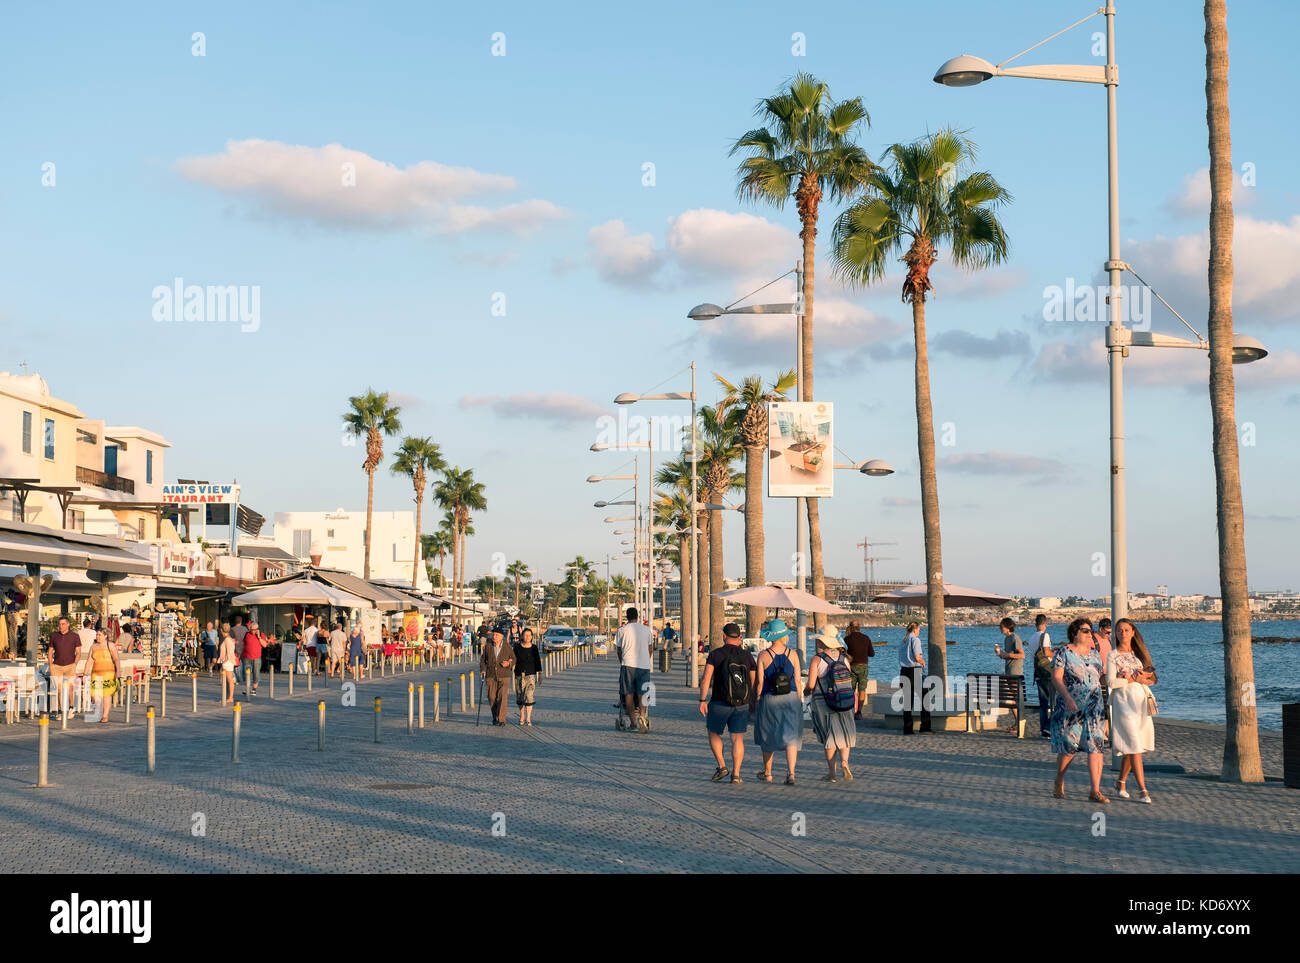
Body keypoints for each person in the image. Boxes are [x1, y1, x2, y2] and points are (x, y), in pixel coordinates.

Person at [1050, 618, 1108, 802]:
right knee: (1069, 748)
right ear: (1074, 632)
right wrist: (1067, 697)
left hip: (1094, 706)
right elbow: (1056, 678)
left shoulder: (1095, 654)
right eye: (1084, 630)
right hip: (1071, 707)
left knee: (1096, 746)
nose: (1089, 633)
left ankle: (1095, 790)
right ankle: (1059, 778)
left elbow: (1101, 678)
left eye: (1090, 630)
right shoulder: (1063, 652)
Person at [699, 622, 756, 784]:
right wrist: (750, 699)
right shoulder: (747, 656)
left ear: (724, 636)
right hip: (741, 704)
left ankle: (722, 766)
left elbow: (706, 679)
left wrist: (702, 700)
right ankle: (736, 774)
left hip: (719, 702)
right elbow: (753, 680)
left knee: (713, 732)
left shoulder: (716, 654)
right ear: (739, 637)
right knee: (737, 738)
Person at [1108, 618, 1157, 803]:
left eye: (1126, 630)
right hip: (1123, 703)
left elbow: (1152, 681)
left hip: (1140, 703)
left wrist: (1143, 677)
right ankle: (1143, 791)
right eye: (1119, 630)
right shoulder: (1112, 655)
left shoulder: (1139, 654)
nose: (1123, 633)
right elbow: (1110, 682)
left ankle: (1121, 782)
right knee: (1134, 746)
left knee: (1134, 746)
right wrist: (1129, 679)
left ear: (1133, 632)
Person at [752, 618, 803, 784]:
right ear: (784, 636)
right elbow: (797, 679)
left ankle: (768, 772)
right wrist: (800, 699)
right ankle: (791, 773)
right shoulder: (793, 654)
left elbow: (759, 682)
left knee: (768, 734)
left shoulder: (763, 655)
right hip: (791, 698)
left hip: (770, 698)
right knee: (791, 736)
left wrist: (757, 699)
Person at [805, 628, 857, 781]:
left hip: (824, 702)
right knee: (844, 733)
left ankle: (832, 774)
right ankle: (845, 762)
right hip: (845, 700)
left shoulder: (817, 659)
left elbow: (811, 684)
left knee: (830, 737)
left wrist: (805, 690)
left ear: (823, 641)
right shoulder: (844, 658)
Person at [613, 607, 653, 732]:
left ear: (627, 617)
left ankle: (633, 722)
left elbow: (619, 650)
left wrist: (622, 661)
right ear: (637, 616)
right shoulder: (646, 630)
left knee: (628, 694)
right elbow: (650, 648)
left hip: (628, 665)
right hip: (644, 666)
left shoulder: (622, 630)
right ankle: (642, 717)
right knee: (643, 693)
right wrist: (646, 659)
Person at [994, 616, 1026, 734]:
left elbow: (1022, 655)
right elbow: (1007, 655)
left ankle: (1018, 723)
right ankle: (1017, 722)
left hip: (1015, 672)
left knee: (1014, 699)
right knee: (1011, 699)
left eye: (1001, 626)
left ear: (1008, 627)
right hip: (1009, 671)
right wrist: (1000, 654)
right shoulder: (1007, 639)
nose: (1000, 628)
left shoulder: (1015, 638)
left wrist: (1006, 654)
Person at [898, 621, 930, 735]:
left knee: (907, 702)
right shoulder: (915, 640)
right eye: (919, 630)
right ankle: (925, 727)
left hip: (904, 671)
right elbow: (917, 657)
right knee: (925, 697)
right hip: (914, 671)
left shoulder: (903, 640)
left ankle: (907, 728)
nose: (919, 632)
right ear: (915, 629)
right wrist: (923, 662)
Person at [480, 625, 514, 726]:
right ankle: (495, 717)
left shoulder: (507, 646)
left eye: (497, 635)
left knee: (502, 697)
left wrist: (508, 663)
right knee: (491, 698)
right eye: (493, 634)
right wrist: (482, 669)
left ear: (501, 636)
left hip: (504, 675)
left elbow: (513, 658)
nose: (494, 636)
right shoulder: (488, 645)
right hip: (490, 675)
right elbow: (483, 660)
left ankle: (502, 719)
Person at [47, 616, 82, 714]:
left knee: (70, 687)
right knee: (59, 689)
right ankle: (60, 709)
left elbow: (78, 652)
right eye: (59, 624)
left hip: (70, 665)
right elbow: (50, 651)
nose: (61, 626)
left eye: (63, 624)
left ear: (68, 624)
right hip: (57, 666)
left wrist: (75, 663)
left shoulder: (75, 636)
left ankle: (71, 708)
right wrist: (50, 665)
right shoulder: (54, 636)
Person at [85, 629, 120, 723]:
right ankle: (99, 712)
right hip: (96, 674)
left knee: (106, 695)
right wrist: (86, 672)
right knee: (96, 696)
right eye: (97, 635)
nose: (97, 636)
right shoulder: (93, 647)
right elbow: (89, 660)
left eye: (99, 635)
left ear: (105, 636)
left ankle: (105, 715)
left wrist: (118, 672)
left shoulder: (110, 645)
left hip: (108, 673)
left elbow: (116, 659)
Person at [843, 619, 875, 722]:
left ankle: (850, 710)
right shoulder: (866, 638)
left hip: (851, 667)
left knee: (851, 689)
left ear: (851, 628)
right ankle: (859, 712)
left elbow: (843, 653)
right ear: (859, 627)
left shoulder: (846, 639)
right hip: (863, 666)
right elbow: (872, 654)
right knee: (862, 689)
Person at [1030, 615, 1054, 737]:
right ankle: (1048, 726)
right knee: (1056, 702)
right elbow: (1046, 652)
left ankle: (1043, 728)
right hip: (1047, 672)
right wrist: (1056, 652)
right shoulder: (1045, 635)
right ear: (1045, 623)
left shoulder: (1032, 637)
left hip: (1038, 672)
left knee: (1043, 703)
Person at [513, 627, 542, 726]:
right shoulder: (517, 647)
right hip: (519, 675)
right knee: (520, 697)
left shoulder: (534, 647)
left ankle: (528, 718)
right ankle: (522, 716)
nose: (527, 637)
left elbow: (537, 661)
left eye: (529, 635)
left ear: (532, 637)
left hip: (531, 675)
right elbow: (512, 659)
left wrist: (540, 674)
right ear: (522, 636)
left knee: (529, 696)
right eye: (525, 635)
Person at [241, 620, 266, 696]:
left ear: (257, 629)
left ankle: (254, 689)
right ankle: (247, 688)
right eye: (251, 629)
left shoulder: (261, 634)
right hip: (246, 657)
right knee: (246, 674)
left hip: (256, 657)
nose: (253, 631)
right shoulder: (246, 634)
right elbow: (243, 644)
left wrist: (259, 637)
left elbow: (264, 645)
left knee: (256, 673)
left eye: (254, 630)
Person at [218, 626, 238, 704]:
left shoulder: (227, 640)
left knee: (229, 680)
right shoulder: (228, 639)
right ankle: (228, 696)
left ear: (222, 630)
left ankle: (230, 697)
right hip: (227, 661)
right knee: (227, 680)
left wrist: (226, 660)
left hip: (228, 662)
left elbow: (230, 651)